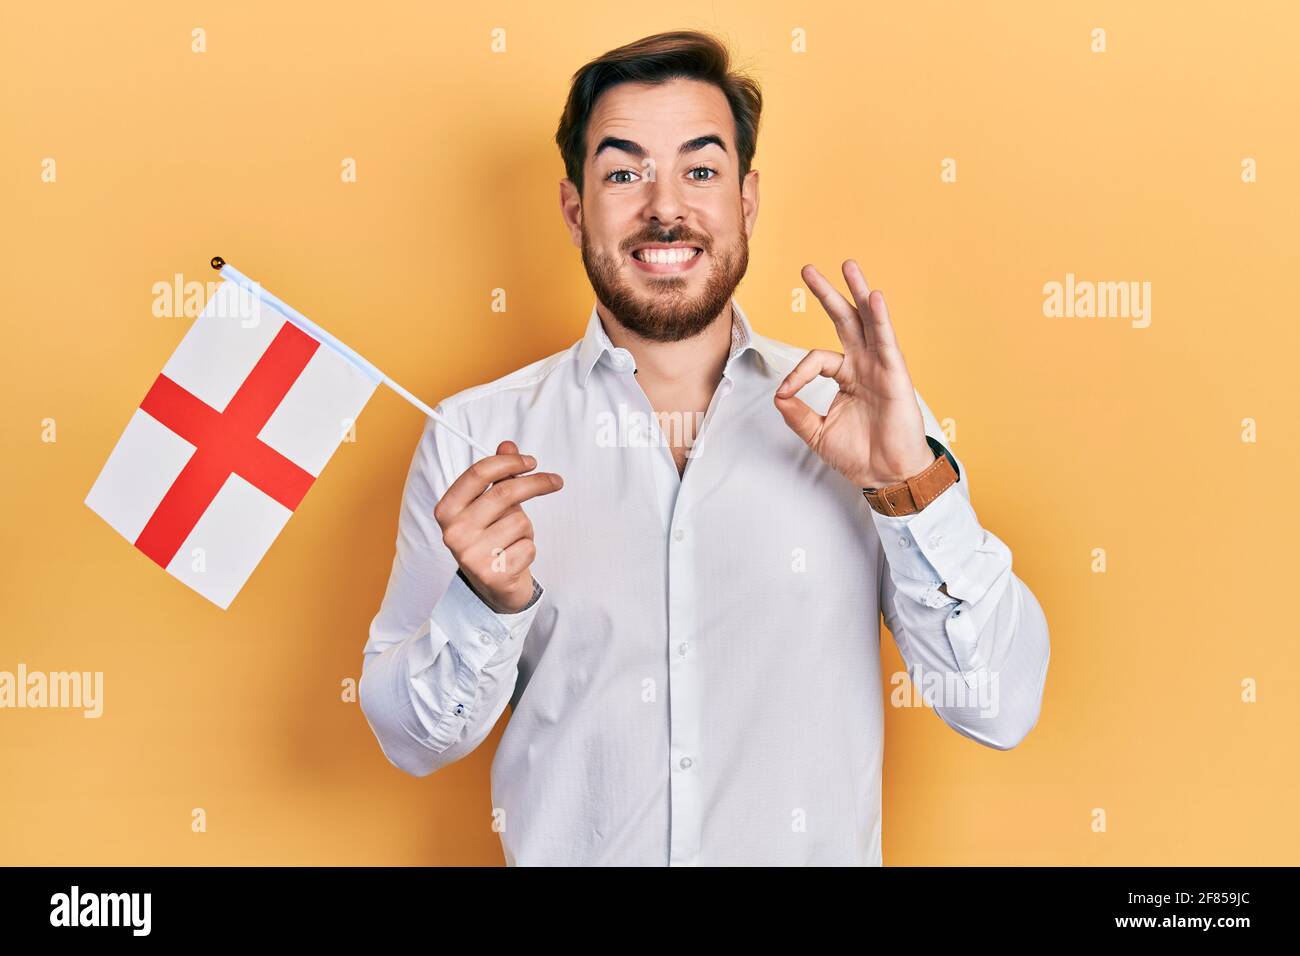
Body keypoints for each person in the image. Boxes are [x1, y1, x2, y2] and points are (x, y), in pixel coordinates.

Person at [359, 30, 1050, 866]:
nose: (664, 207)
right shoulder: (476, 437)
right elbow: (411, 740)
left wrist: (908, 486)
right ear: (575, 208)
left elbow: (1000, 706)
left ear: (746, 200)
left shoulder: (860, 414)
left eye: (700, 170)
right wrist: (485, 602)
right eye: (623, 172)